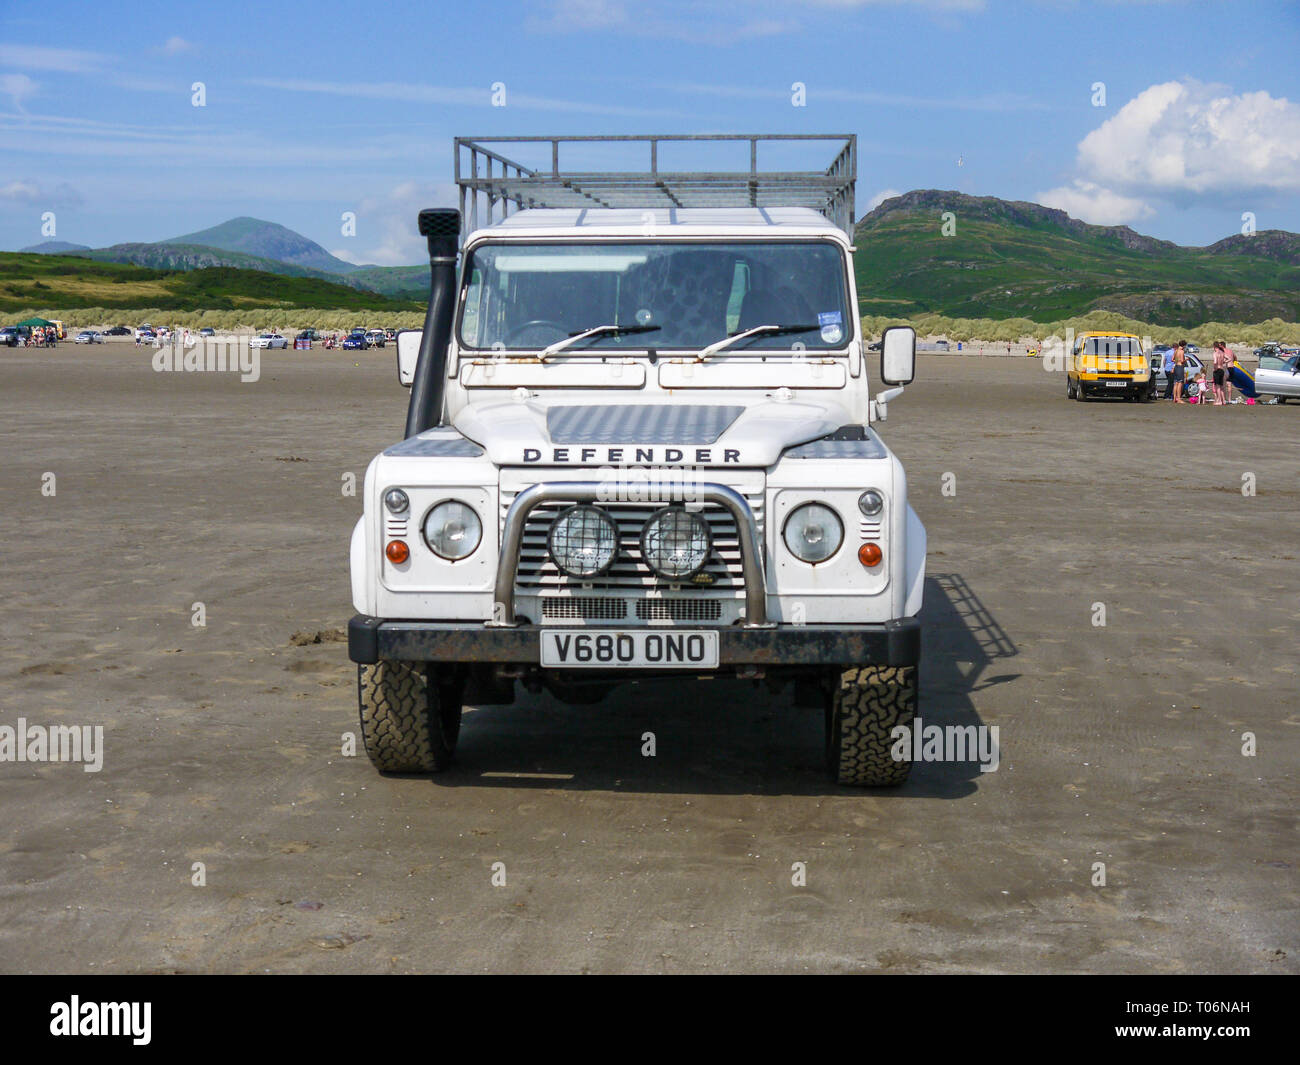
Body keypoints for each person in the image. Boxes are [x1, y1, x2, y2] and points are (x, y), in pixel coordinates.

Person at [1171, 340, 1188, 404]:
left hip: (1176, 367)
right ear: (1184, 345)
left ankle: (1174, 398)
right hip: (1180, 367)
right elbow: (1182, 361)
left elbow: (1172, 359)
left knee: (1175, 383)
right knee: (1180, 383)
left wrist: (1177, 360)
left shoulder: (1176, 351)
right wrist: (1186, 359)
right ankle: (1179, 399)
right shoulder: (1182, 351)